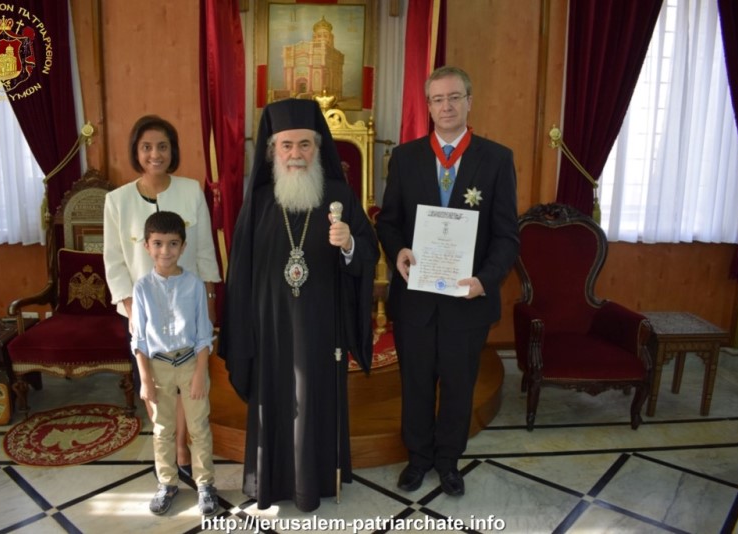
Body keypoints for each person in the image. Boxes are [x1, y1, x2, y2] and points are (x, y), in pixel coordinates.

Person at [220, 98, 379, 512]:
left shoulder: (339, 195)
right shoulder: (257, 202)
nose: (296, 154)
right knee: (275, 401)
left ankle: (318, 482)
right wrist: (245, 329)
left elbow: (369, 254)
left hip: (322, 327)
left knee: (314, 401)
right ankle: (272, 482)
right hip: (270, 328)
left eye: (305, 145)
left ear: (318, 147)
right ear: (272, 150)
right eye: (287, 146)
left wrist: (349, 246)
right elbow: (240, 273)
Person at [375, 66, 519, 497]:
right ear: (429, 106)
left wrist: (484, 280)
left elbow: (507, 236)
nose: (446, 107)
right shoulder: (405, 157)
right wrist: (397, 251)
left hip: (467, 300)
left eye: (454, 97)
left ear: (469, 101)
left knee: (458, 386)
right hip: (416, 299)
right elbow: (389, 222)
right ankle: (418, 459)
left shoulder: (496, 159)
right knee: (416, 383)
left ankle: (448, 461)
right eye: (437, 99)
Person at [103, 115, 221, 481]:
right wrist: (130, 308)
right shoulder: (117, 200)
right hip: (144, 311)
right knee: (156, 387)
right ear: (136, 152)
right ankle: (167, 445)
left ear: (173, 151)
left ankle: (183, 444)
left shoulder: (189, 190)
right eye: (147, 147)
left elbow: (203, 250)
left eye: (163, 146)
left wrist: (211, 299)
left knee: (189, 382)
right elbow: (114, 260)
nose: (155, 154)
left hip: (190, 308)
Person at [131, 211, 219, 516]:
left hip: (190, 364)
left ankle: (205, 483)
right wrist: (145, 380)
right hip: (157, 368)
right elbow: (139, 341)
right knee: (162, 429)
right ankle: (167, 483)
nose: (165, 251)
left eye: (172, 244)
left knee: (198, 427)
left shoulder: (194, 285)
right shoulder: (142, 288)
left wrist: (199, 374)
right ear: (146, 246)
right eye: (157, 243)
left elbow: (203, 336)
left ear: (182, 247)